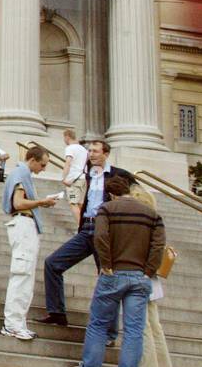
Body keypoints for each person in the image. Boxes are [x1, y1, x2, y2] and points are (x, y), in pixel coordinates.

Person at [67, 176, 164, 367]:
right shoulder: (152, 214)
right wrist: (148, 271)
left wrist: (107, 264)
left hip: (113, 273)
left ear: (111, 194)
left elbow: (100, 237)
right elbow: (158, 246)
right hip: (139, 275)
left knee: (99, 324)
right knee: (134, 330)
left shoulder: (107, 209)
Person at [37, 140, 136, 327]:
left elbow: (139, 198)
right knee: (53, 263)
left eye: (96, 151)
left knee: (107, 277)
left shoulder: (119, 175)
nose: (91, 154)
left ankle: (109, 330)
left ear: (106, 154)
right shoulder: (86, 175)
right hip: (86, 229)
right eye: (89, 150)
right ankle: (57, 313)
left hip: (105, 233)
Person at [0, 146, 57, 340]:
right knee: (22, 274)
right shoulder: (21, 173)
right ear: (32, 159)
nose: (43, 168)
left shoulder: (23, 173)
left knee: (25, 275)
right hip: (23, 225)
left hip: (25, 226)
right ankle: (12, 324)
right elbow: (18, 203)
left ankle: (18, 322)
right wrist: (42, 202)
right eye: (42, 164)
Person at [130, 185, 175, 367]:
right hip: (152, 279)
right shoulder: (156, 221)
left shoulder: (141, 223)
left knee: (144, 327)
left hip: (140, 276)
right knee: (154, 326)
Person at [62, 128, 88, 223]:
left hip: (74, 181)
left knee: (73, 203)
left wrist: (64, 178)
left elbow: (68, 163)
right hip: (83, 179)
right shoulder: (84, 150)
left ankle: (80, 227)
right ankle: (84, 225)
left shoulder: (70, 148)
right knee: (80, 204)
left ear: (67, 137)